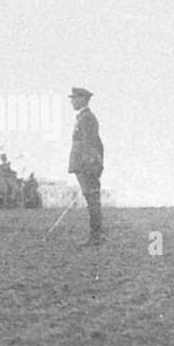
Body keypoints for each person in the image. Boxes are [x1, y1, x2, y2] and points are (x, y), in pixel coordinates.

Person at [68, 86, 105, 245]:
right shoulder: (83, 118)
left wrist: (90, 164)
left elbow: (90, 144)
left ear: (82, 99)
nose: (72, 102)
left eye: (74, 98)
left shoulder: (87, 118)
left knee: (92, 200)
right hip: (83, 164)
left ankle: (95, 236)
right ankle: (95, 235)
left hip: (86, 165)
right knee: (92, 200)